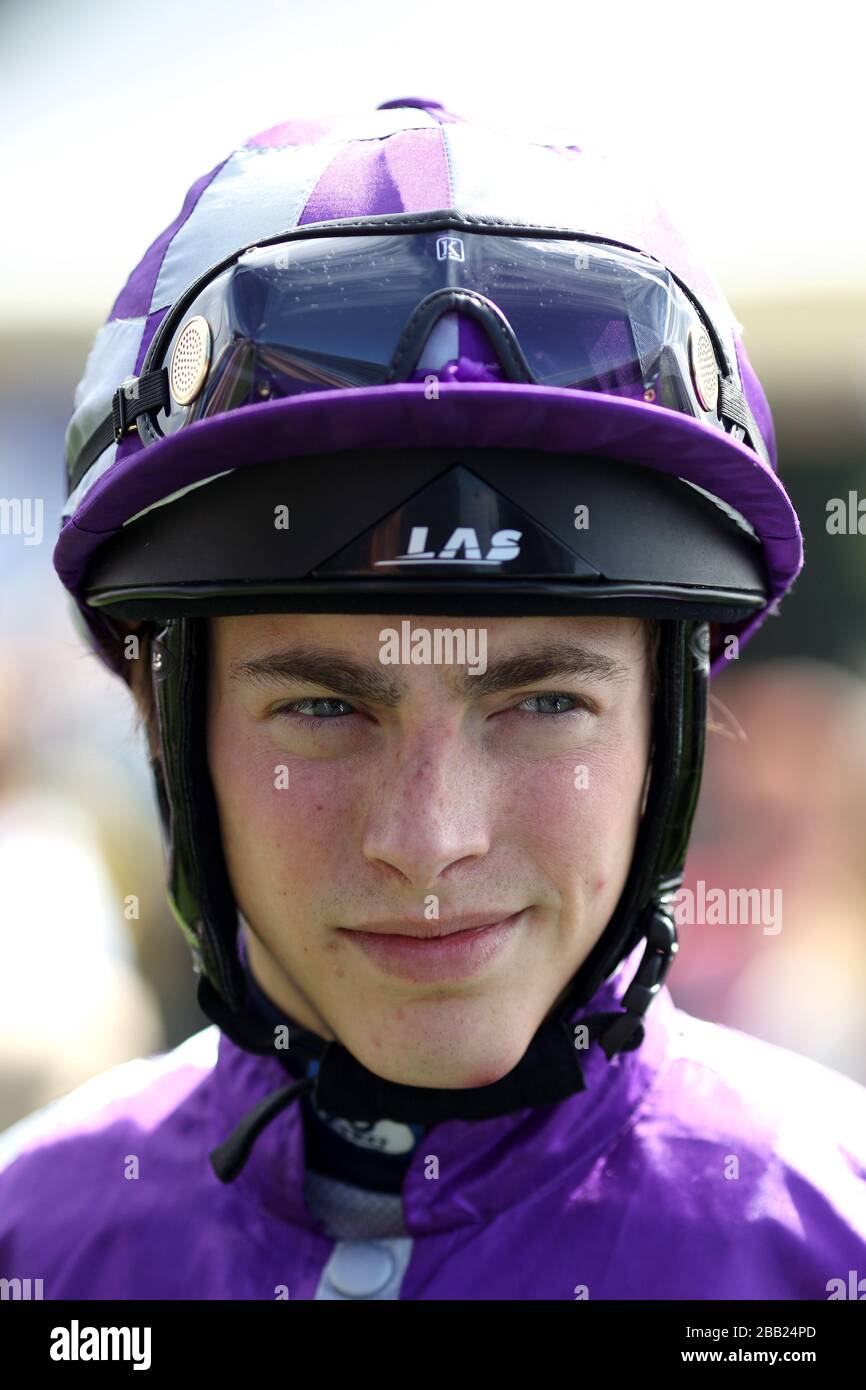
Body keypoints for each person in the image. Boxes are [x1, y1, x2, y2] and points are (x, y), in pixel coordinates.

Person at [1, 96, 864, 1303]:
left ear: (667, 734)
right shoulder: (29, 1248)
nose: (426, 840)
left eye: (544, 703)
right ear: (162, 716)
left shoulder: (832, 1246)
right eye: (324, 709)